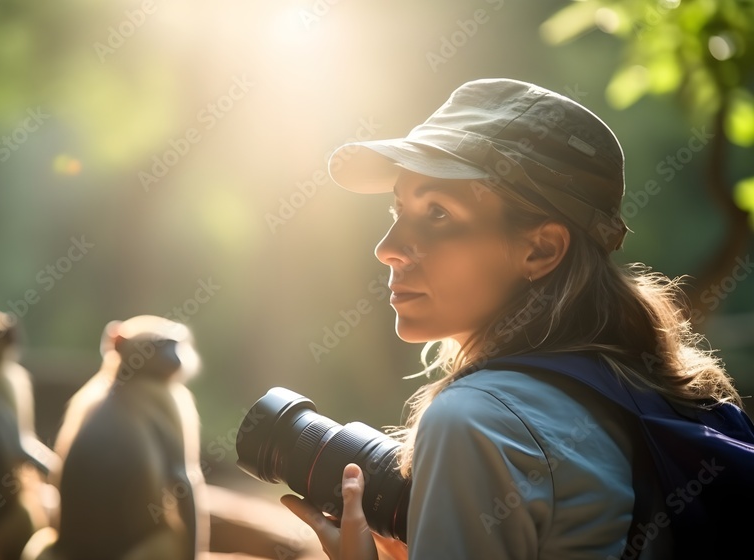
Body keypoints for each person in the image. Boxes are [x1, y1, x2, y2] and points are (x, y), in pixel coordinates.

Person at [280, 78, 745, 559]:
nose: (389, 248)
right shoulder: (647, 391)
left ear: (541, 249)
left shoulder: (476, 421)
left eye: (437, 213)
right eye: (398, 209)